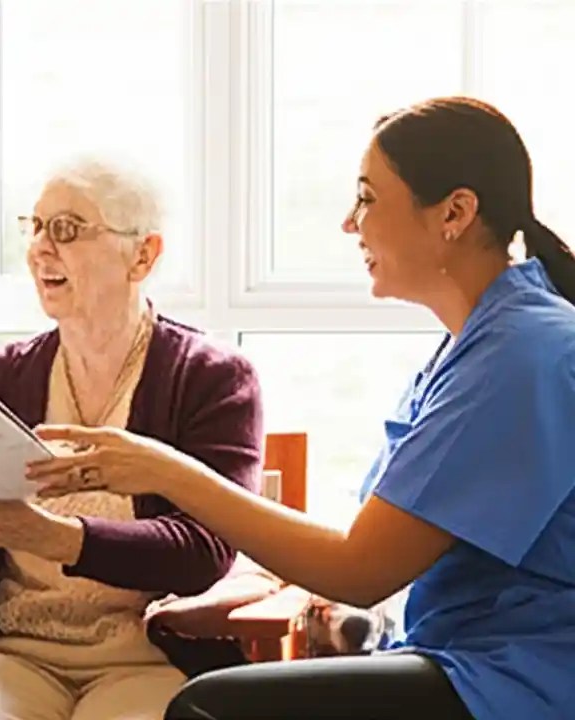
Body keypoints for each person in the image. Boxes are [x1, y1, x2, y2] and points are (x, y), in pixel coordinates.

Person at [28, 96, 575, 720]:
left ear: (454, 212)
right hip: (465, 654)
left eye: (367, 198)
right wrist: (268, 587)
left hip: (524, 678)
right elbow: (386, 549)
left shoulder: (521, 355)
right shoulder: (481, 346)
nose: (350, 223)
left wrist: (163, 470)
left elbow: (362, 569)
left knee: (207, 708)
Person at [0, 157, 265, 719]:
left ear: (144, 254)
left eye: (65, 229)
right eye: (34, 227)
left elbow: (203, 553)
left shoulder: (211, 378)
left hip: (150, 658)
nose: (39, 248)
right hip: (12, 656)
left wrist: (48, 535)